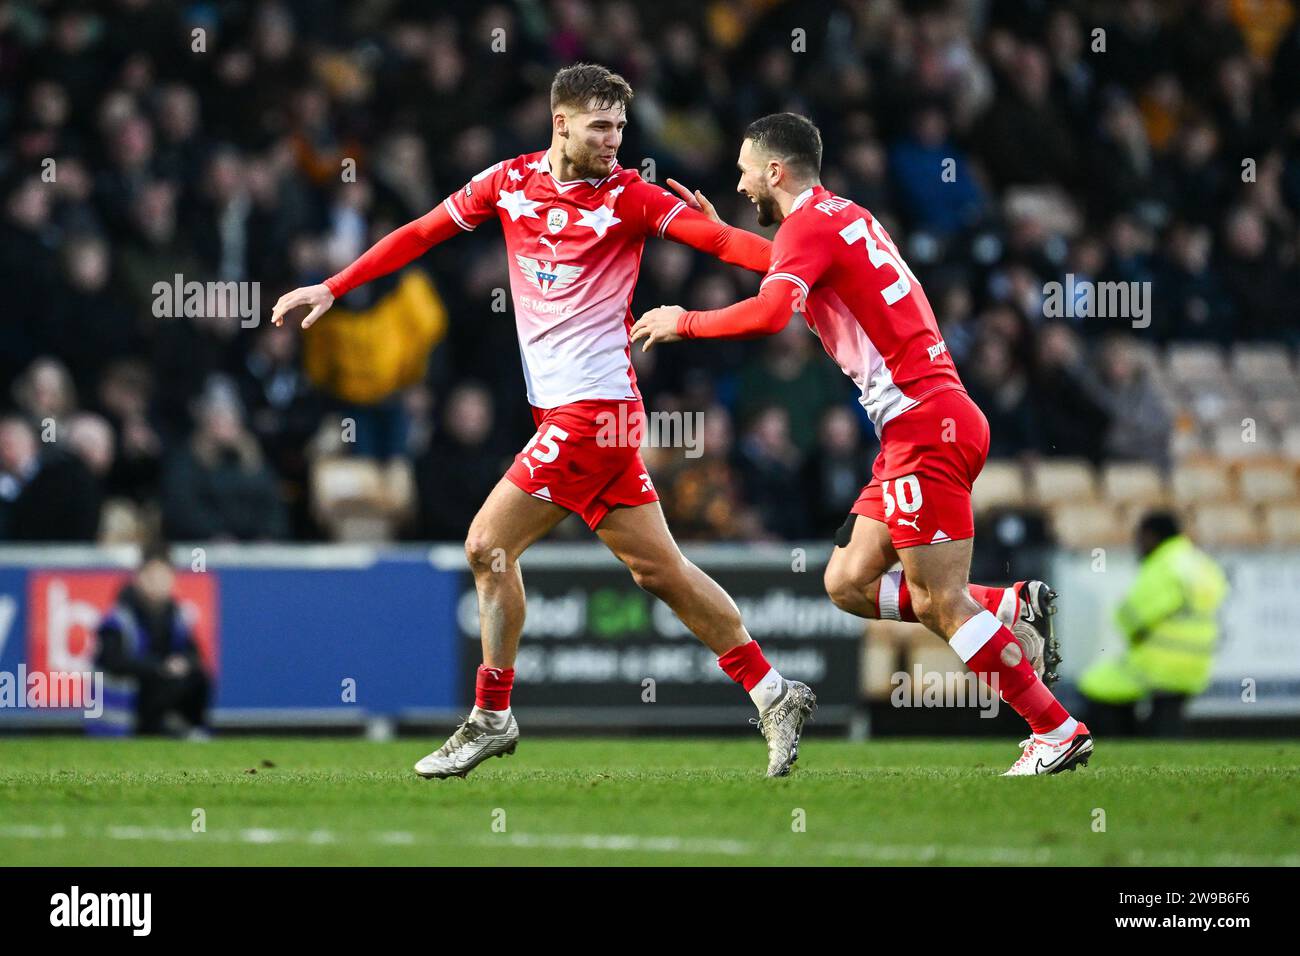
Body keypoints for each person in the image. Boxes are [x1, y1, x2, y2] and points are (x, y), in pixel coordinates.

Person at [272, 64, 816, 779]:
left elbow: (720, 246)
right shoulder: (508, 182)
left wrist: (802, 261)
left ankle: (492, 715)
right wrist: (335, 286)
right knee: (661, 571)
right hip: (579, 416)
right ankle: (775, 692)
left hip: (597, 412)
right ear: (560, 122)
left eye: (620, 127)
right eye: (600, 127)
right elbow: (420, 232)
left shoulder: (630, 196)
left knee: (486, 546)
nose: (614, 141)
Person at [633, 112, 1091, 775]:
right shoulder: (840, 217)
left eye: (742, 171)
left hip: (924, 426)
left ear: (775, 171)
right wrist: (713, 233)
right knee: (846, 582)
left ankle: (1054, 726)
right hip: (927, 423)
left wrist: (687, 320)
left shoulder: (811, 227)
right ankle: (1007, 606)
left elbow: (769, 310)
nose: (737, 184)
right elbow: (770, 259)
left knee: (939, 600)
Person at [1079, 512, 1228, 737]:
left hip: (1158, 662)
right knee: (1167, 715)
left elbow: (1129, 618)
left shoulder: (1163, 565)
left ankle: (1118, 742)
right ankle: (1160, 739)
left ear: (1151, 536)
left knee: (1095, 686)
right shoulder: (1201, 563)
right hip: (1198, 662)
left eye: (1140, 538)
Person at [92, 543, 211, 737]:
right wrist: (159, 667)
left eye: (164, 577)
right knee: (160, 680)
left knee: (197, 677)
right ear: (138, 578)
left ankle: (192, 730)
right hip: (127, 706)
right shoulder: (119, 618)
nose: (158, 584)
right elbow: (113, 661)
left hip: (160, 688)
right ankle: (159, 729)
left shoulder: (176, 615)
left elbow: (194, 654)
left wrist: (183, 664)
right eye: (152, 577)